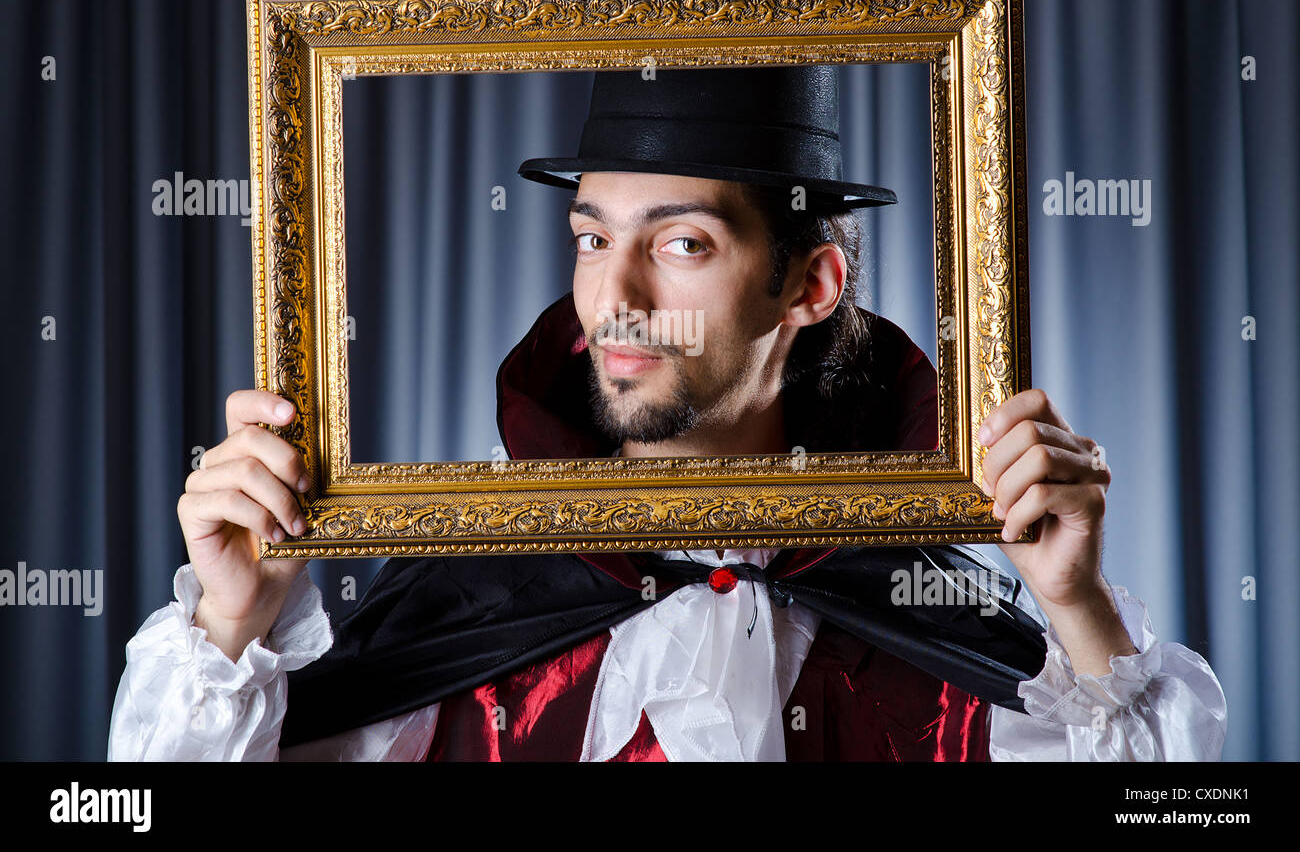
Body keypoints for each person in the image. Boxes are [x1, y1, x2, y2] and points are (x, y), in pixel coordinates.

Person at [108, 67, 1227, 761]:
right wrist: (227, 631)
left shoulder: (932, 607)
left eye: (680, 243)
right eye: (593, 237)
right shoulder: (464, 600)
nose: (613, 297)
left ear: (809, 287)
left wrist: (1080, 615)